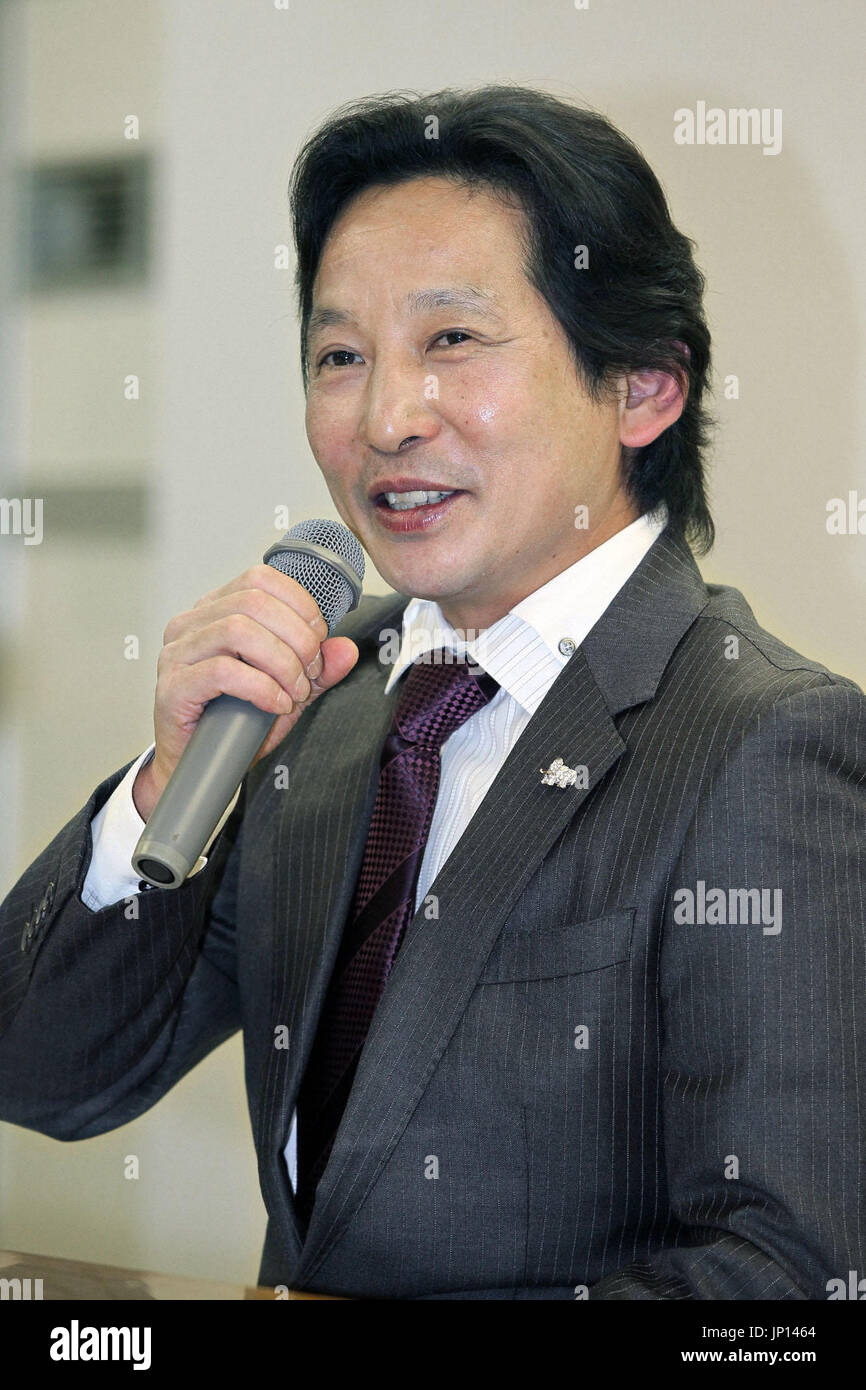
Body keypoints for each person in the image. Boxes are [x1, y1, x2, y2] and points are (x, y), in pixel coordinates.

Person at [1, 85, 864, 1301]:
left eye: (451, 342)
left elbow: (796, 1278)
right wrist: (159, 793)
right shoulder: (326, 702)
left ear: (642, 388)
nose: (385, 418)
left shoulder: (765, 742)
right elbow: (44, 1075)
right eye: (340, 356)